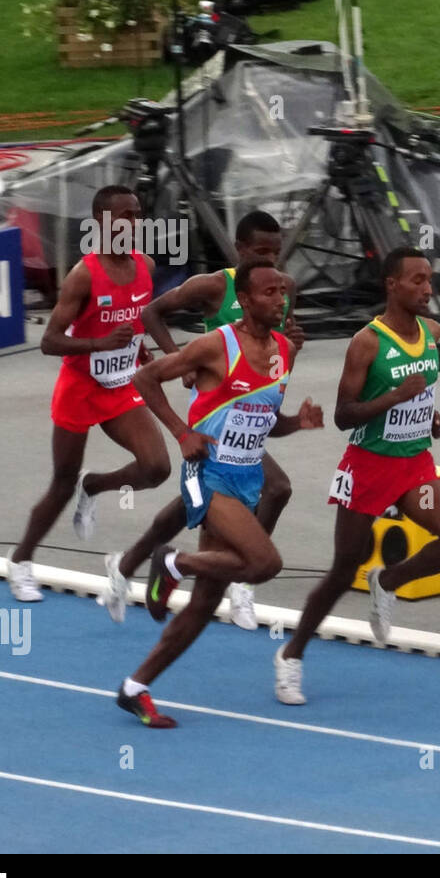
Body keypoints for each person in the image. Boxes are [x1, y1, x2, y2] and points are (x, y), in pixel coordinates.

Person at [116, 257, 321, 728]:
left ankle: (135, 687)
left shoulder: (284, 351)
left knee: (205, 605)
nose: (280, 300)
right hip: (206, 473)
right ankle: (173, 561)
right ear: (244, 301)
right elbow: (145, 378)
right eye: (269, 293)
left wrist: (297, 423)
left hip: (247, 477)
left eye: (283, 292)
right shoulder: (215, 345)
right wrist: (181, 432)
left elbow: (260, 421)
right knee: (265, 563)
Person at [273, 247, 440, 706]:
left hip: (413, 466)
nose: (427, 289)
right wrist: (398, 396)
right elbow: (346, 416)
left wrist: (432, 417)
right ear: (391, 284)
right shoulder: (367, 341)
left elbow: (419, 397)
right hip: (368, 467)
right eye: (417, 280)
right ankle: (291, 654)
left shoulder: (432, 332)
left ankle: (388, 582)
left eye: (429, 280)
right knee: (345, 568)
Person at [102, 211, 304, 628]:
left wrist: (293, 345)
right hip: (212, 412)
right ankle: (235, 578)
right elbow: (153, 312)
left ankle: (129, 567)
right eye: (260, 251)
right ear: (240, 249)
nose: (269, 259)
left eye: (276, 252)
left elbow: (275, 344)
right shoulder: (214, 285)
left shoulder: (282, 288)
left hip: (249, 410)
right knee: (275, 487)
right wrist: (177, 359)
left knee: (187, 508)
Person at [8, 185, 170, 602]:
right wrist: (99, 345)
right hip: (80, 387)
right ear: (102, 222)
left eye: (137, 214)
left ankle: (94, 485)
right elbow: (48, 341)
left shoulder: (145, 265)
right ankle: (21, 560)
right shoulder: (83, 275)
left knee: (156, 468)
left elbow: (135, 320)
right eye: (125, 216)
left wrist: (142, 349)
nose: (134, 223)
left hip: (120, 384)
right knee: (60, 483)